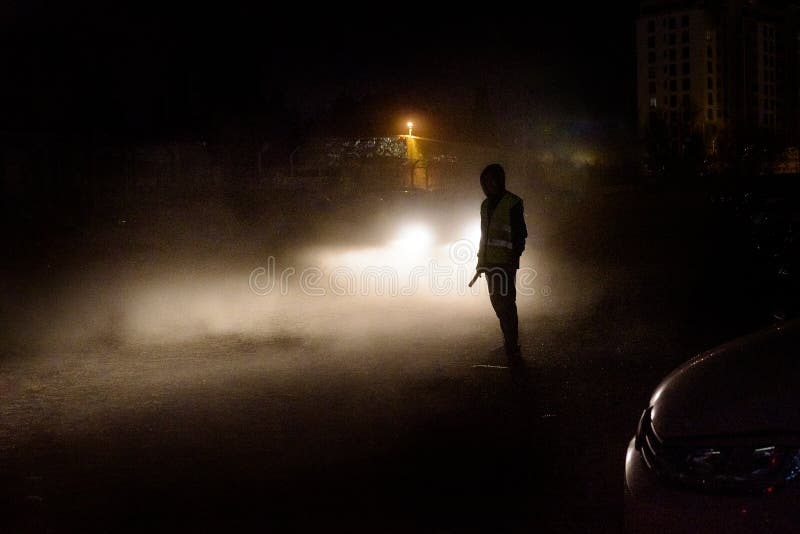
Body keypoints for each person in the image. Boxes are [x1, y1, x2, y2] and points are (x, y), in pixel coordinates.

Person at [476, 163, 527, 361]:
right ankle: (509, 341)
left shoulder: (513, 203)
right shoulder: (485, 205)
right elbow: (484, 236)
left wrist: (513, 259)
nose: (487, 185)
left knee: (506, 304)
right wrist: (481, 262)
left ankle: (512, 345)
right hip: (490, 265)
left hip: (505, 265)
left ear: (499, 181)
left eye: (490, 181)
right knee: (497, 303)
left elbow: (520, 235)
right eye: (484, 182)